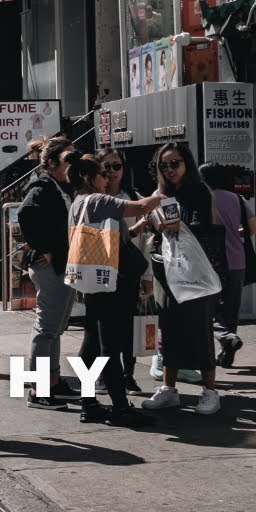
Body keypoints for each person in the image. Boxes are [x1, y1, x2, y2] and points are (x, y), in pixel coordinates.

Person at [66, 152, 161, 426]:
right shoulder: (97, 200)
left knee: (92, 344)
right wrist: (162, 192)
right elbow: (142, 206)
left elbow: (105, 242)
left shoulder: (78, 203)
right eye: (101, 174)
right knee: (111, 346)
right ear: (88, 178)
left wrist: (131, 232)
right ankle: (120, 407)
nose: (107, 179)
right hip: (113, 283)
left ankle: (89, 404)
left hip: (94, 281)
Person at [141, 143, 222, 414]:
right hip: (167, 271)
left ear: (186, 163)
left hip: (196, 273)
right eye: (164, 165)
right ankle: (169, 388)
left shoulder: (199, 191)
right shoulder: (160, 194)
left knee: (200, 330)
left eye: (175, 163)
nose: (169, 169)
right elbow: (153, 232)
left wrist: (179, 227)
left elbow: (205, 227)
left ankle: (210, 391)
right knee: (170, 330)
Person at [17, 135, 82, 410]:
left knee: (54, 328)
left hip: (61, 264)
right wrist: (44, 248)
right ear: (53, 162)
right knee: (47, 329)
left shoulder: (60, 186)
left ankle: (52, 382)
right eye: (69, 158)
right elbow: (25, 213)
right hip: (50, 267)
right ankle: (40, 390)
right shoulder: (43, 186)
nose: (74, 162)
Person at [98, 147, 152, 393]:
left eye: (116, 166)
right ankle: (105, 376)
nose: (111, 172)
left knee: (129, 326)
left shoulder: (135, 197)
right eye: (106, 167)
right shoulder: (92, 199)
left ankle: (127, 375)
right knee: (102, 330)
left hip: (129, 270)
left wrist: (147, 275)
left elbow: (147, 242)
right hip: (99, 273)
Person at [199, 162, 253, 368]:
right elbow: (252, 228)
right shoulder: (236, 199)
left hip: (210, 261)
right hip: (237, 261)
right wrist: (233, 232)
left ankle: (225, 338)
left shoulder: (203, 198)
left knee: (207, 308)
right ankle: (227, 350)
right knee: (231, 308)